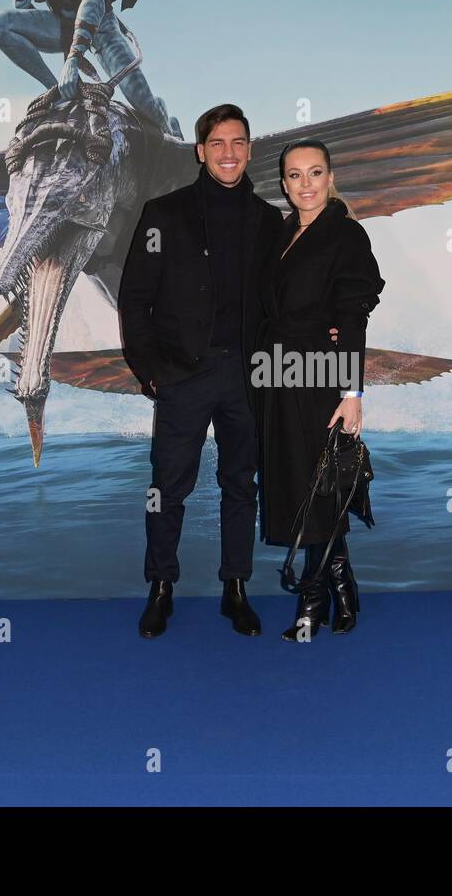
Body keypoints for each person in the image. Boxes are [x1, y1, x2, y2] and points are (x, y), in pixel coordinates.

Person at [118, 104, 285, 638]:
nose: (229, 153)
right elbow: (134, 299)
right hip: (182, 377)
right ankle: (160, 587)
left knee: (241, 486)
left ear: (250, 150)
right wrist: (150, 373)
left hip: (247, 378)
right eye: (218, 143)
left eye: (238, 142)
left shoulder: (268, 221)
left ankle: (235, 588)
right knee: (166, 488)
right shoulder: (162, 214)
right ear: (200, 151)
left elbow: (282, 304)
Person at [254, 139, 385, 641]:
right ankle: (343, 586)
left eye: (314, 173)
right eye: (294, 175)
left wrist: (353, 393)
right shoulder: (282, 232)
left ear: (330, 177)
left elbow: (352, 317)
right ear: (284, 184)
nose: (305, 184)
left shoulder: (346, 235)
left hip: (319, 377)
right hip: (275, 375)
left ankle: (310, 604)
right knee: (301, 485)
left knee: (315, 488)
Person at [0, 0, 182, 138]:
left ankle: (169, 125)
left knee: (143, 103)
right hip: (63, 23)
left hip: (101, 26)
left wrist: (73, 58)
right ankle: (59, 96)